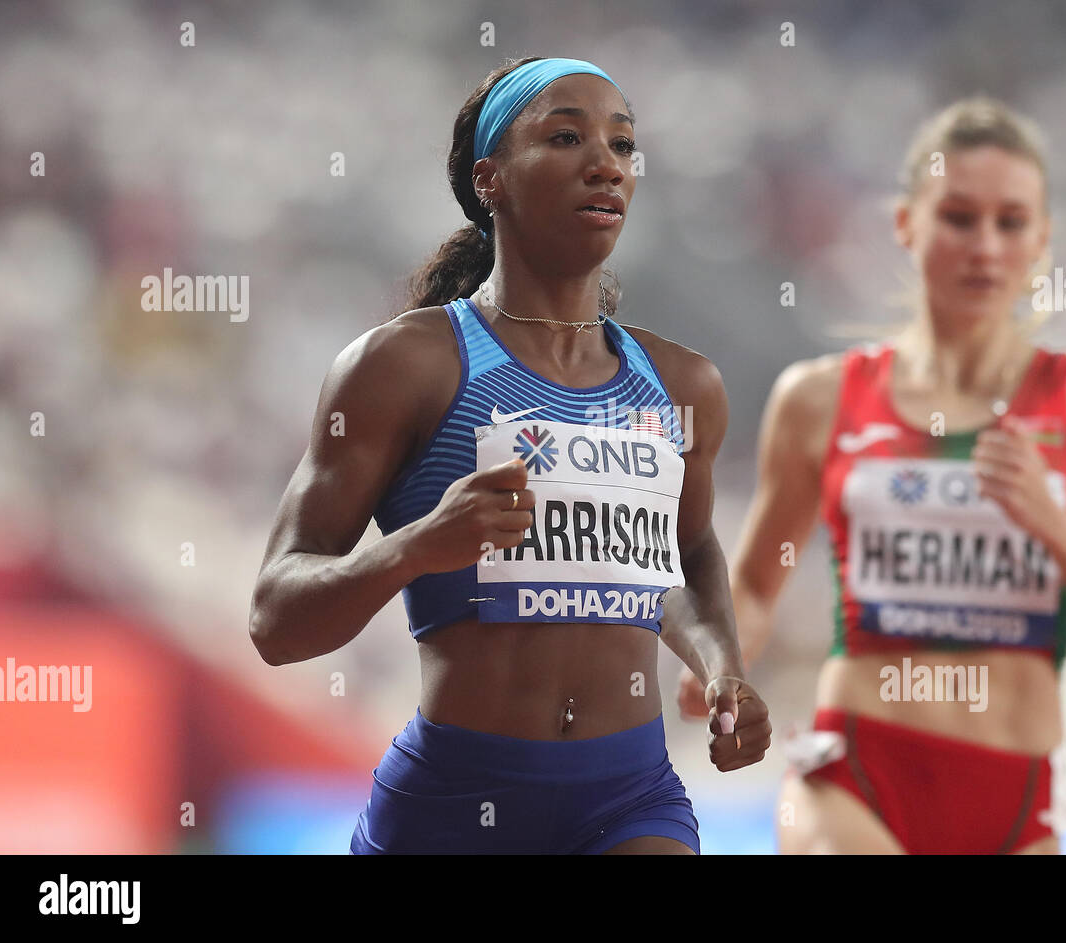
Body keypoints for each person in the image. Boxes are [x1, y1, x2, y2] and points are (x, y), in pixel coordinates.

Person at [249, 56, 770, 855]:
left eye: (623, 146)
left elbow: (688, 554)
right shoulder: (404, 365)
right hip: (453, 803)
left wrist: (722, 665)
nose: (606, 164)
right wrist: (417, 547)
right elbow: (275, 621)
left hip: (629, 797)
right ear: (489, 179)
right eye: (566, 137)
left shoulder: (683, 385)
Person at [678, 97, 1066, 854]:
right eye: (958, 217)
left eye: (1011, 223)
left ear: (1041, 240)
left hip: (1018, 799)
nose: (985, 246)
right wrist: (723, 664)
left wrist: (1053, 521)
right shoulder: (820, 398)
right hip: (857, 777)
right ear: (907, 224)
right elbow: (753, 588)